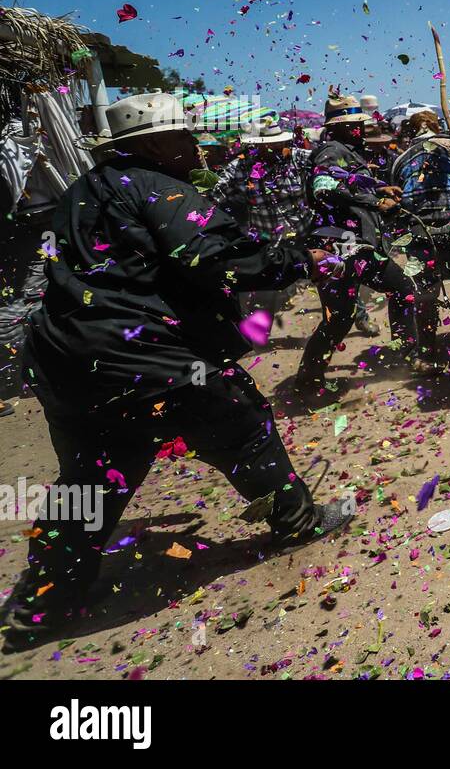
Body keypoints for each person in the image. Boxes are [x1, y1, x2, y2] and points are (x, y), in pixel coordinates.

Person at [1, 93, 349, 652]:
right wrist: (297, 257)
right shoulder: (156, 186)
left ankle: (40, 605)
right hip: (145, 355)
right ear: (150, 145)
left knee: (90, 480)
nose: (194, 145)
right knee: (241, 425)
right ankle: (297, 520)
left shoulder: (75, 197)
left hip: (66, 360)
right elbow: (212, 258)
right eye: (182, 136)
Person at [295, 94, 439, 392]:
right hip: (337, 248)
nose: (359, 130)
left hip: (361, 246)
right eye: (352, 126)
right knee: (340, 317)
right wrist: (374, 202)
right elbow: (324, 189)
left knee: (402, 290)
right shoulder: (330, 150)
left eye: (359, 124)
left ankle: (408, 356)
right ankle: (308, 379)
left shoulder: (347, 152)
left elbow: (348, 182)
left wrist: (377, 186)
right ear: (335, 128)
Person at [389, 110, 450, 357]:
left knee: (425, 291)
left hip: (420, 231)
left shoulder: (400, 159)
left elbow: (395, 195)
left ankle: (427, 349)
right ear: (436, 125)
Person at [210, 120, 316, 324]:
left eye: (277, 143)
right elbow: (215, 195)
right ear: (255, 146)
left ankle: (358, 317)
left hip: (306, 232)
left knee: (332, 279)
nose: (274, 148)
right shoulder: (239, 168)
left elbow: (326, 164)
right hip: (269, 242)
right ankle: (256, 340)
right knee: (263, 298)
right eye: (267, 145)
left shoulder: (299, 158)